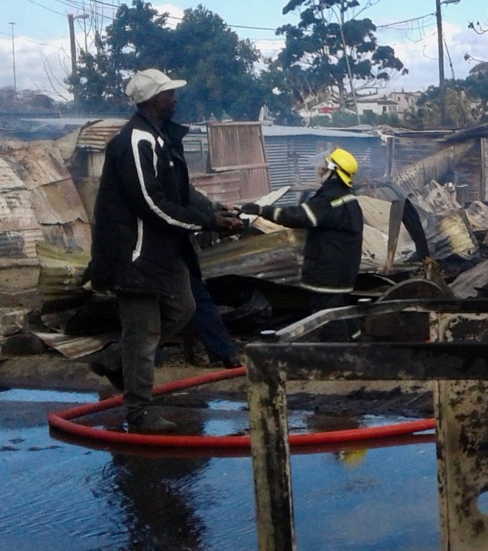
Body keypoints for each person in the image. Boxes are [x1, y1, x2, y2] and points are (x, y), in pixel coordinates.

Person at [85, 68, 241, 433]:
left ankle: (115, 360)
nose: (175, 99)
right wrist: (208, 224)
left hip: (163, 253)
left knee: (184, 308)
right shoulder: (136, 141)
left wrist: (213, 212)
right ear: (155, 99)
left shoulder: (159, 139)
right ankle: (139, 412)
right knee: (142, 335)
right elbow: (152, 204)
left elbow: (178, 195)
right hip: (134, 256)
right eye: (170, 93)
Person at [237, 148, 364, 339]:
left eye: (325, 166)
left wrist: (261, 210)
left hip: (328, 274)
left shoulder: (329, 199)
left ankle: (336, 358)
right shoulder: (346, 198)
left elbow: (298, 217)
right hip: (342, 273)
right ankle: (358, 348)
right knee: (341, 312)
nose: (320, 170)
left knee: (327, 318)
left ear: (334, 172)